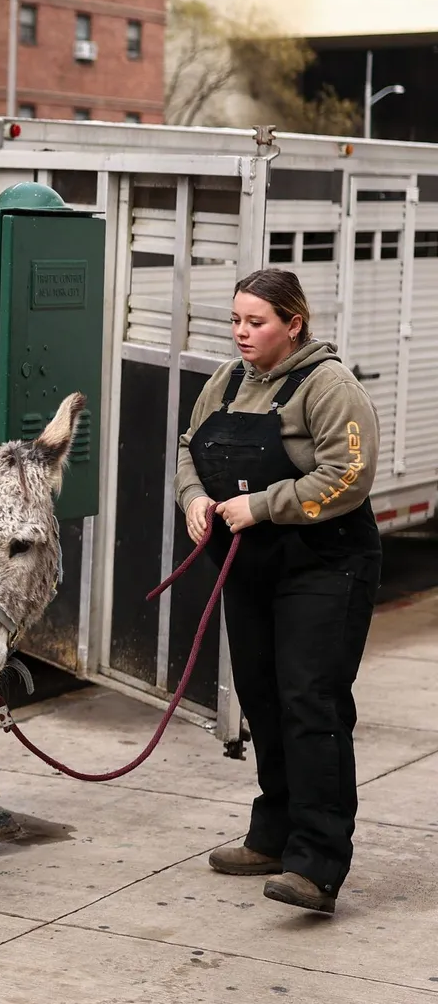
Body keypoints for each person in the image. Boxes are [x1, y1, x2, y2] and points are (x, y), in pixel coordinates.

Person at [176, 267, 382, 915]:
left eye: (255, 321)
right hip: (251, 567)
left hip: (324, 565)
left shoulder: (327, 385)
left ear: (293, 324)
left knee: (310, 703)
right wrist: (195, 497)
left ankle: (318, 864)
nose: (241, 332)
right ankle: (273, 834)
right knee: (263, 699)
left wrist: (262, 505)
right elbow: (188, 445)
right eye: (236, 319)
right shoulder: (226, 381)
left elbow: (349, 473)